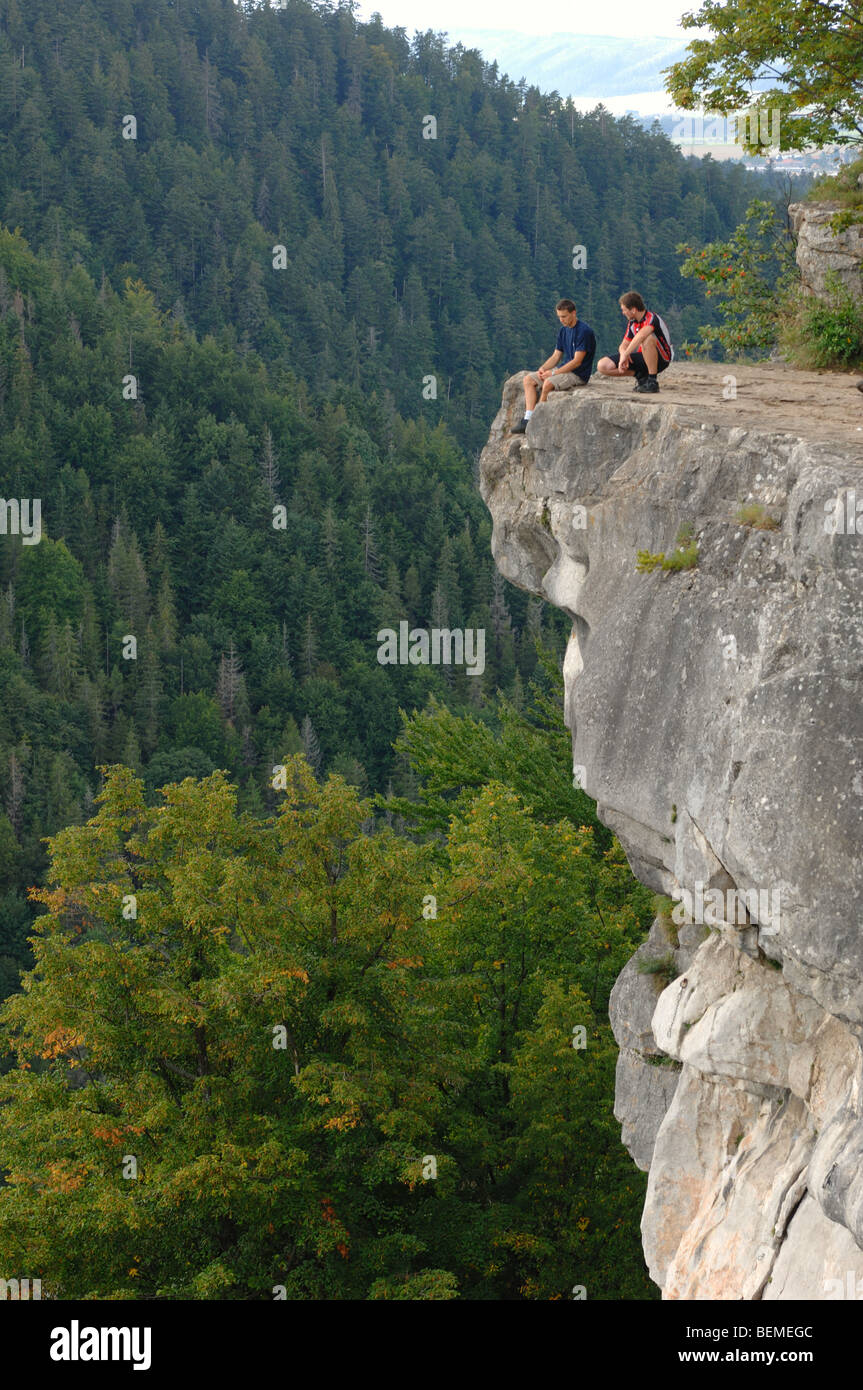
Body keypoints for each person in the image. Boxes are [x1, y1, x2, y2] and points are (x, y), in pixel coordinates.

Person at [510, 299, 596, 434]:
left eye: (564, 316)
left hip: (578, 374)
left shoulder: (584, 331)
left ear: (573, 313)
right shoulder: (563, 331)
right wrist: (543, 368)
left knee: (548, 384)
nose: (561, 320)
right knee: (528, 380)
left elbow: (577, 361)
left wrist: (553, 374)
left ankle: (537, 421)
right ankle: (528, 418)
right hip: (564, 370)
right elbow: (556, 356)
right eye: (559, 317)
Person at [597, 291, 673, 394]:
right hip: (643, 356)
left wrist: (626, 354)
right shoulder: (632, 323)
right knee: (603, 365)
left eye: (624, 310)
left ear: (633, 310)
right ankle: (640, 376)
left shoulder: (651, 318)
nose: (623, 313)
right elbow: (623, 344)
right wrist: (624, 354)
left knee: (647, 338)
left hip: (662, 358)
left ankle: (652, 382)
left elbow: (641, 335)